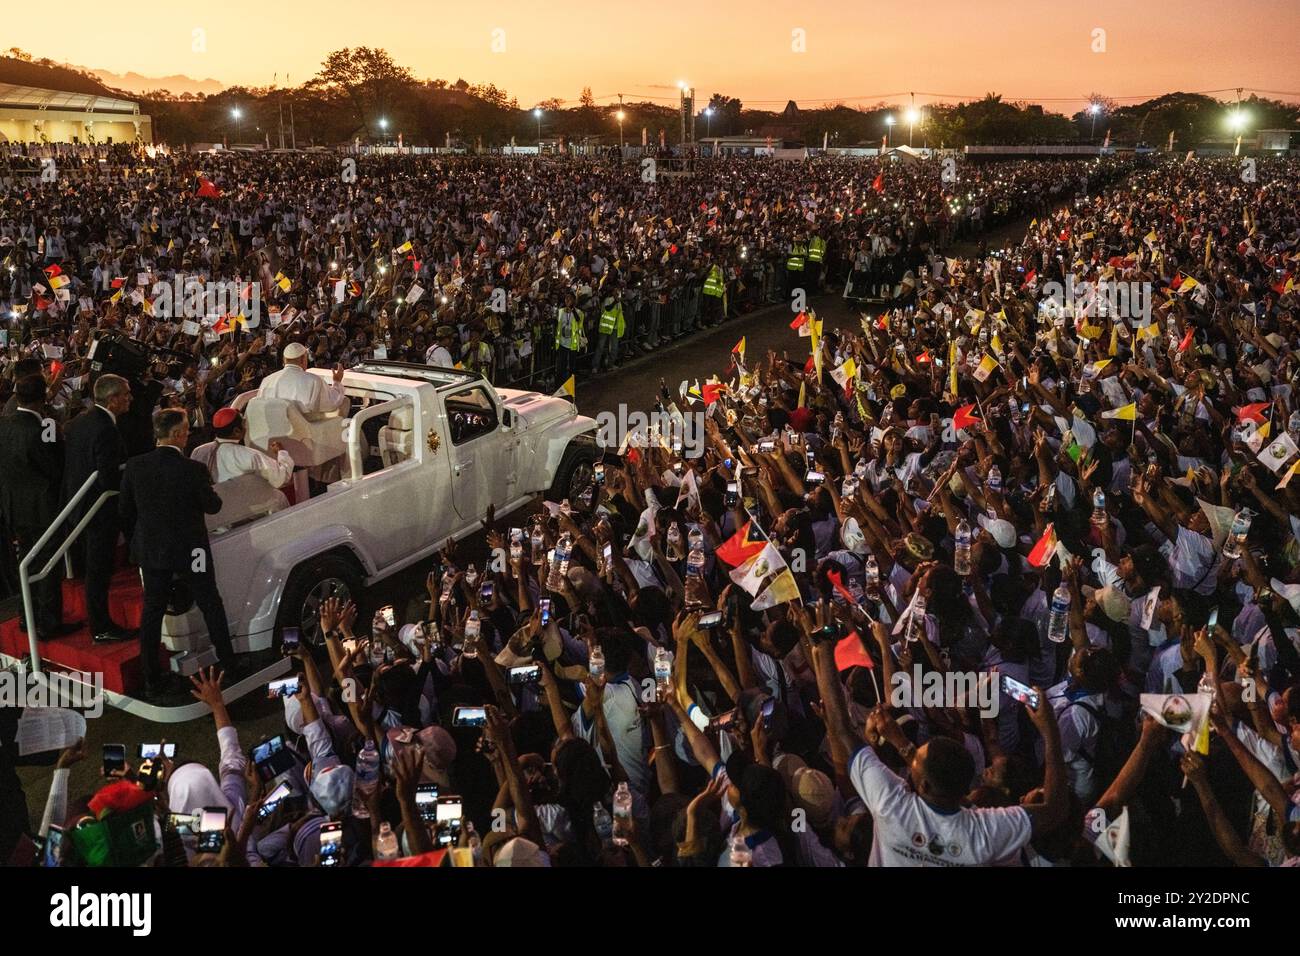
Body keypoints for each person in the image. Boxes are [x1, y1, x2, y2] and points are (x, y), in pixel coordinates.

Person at [119, 408, 237, 700]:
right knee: (210, 601)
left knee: (152, 611)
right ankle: (229, 663)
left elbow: (125, 511)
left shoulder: (134, 467)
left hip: (153, 551)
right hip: (191, 551)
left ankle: (151, 677)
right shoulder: (193, 470)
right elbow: (213, 506)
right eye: (185, 430)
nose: (188, 434)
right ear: (175, 435)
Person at [62, 373, 133, 645]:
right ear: (113, 400)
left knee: (96, 569)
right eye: (126, 394)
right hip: (98, 511)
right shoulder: (105, 428)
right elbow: (108, 478)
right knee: (98, 571)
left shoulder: (79, 422)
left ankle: (100, 624)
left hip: (82, 507)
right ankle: (101, 627)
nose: (130, 399)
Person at [0, 375, 67, 639]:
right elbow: (55, 466)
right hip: (44, 508)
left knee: (25, 561)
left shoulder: (4, 426)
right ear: (44, 398)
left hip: (15, 509)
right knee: (48, 564)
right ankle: (49, 622)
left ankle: (27, 617)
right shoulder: (45, 426)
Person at [191, 407, 293, 490]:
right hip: (243, 509)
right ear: (236, 431)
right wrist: (281, 452)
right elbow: (281, 477)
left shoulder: (198, 451)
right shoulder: (250, 455)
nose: (246, 427)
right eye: (243, 424)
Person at [257, 342, 348, 420]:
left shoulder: (267, 380)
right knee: (345, 402)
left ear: (284, 360)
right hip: (301, 431)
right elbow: (332, 403)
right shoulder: (314, 380)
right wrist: (337, 382)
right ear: (302, 359)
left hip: (272, 428)